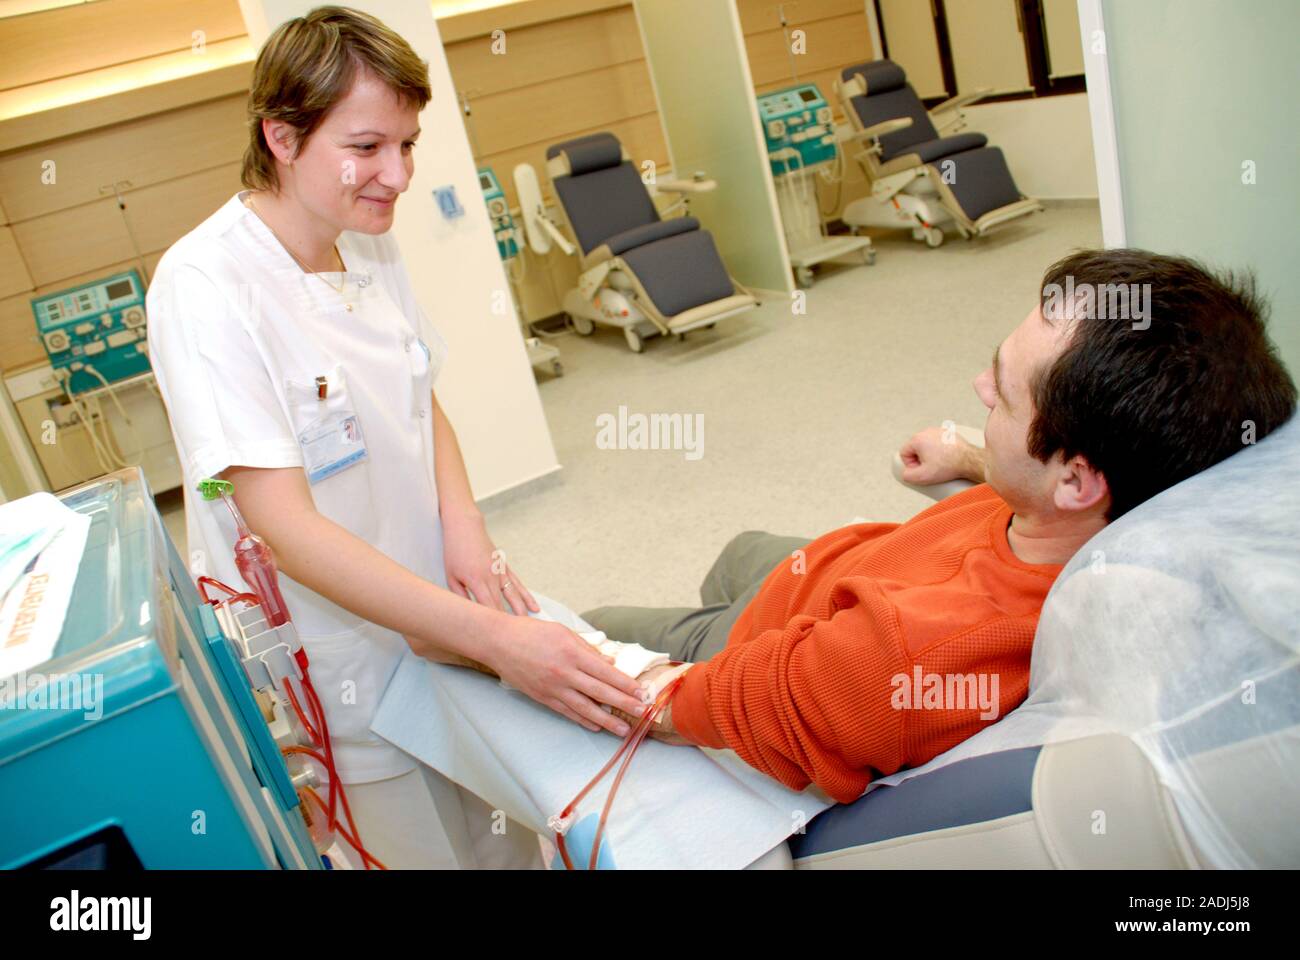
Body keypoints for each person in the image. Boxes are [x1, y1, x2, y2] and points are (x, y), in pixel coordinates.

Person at [146, 6, 643, 869]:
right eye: (368, 147)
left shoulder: (364, 245)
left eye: (408, 145)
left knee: (510, 836)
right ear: (282, 137)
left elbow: (422, 395)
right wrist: (492, 641)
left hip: (436, 609)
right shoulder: (204, 286)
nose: (398, 173)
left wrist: (468, 538)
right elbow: (283, 523)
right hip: (334, 649)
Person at [582, 248, 1298, 803]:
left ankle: (682, 627)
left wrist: (614, 687)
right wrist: (968, 454)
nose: (979, 389)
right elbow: (1031, 478)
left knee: (593, 622)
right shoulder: (1116, 497)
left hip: (767, 638)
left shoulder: (903, 654)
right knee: (738, 549)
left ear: (1075, 480)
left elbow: (737, 702)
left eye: (1003, 393)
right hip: (842, 562)